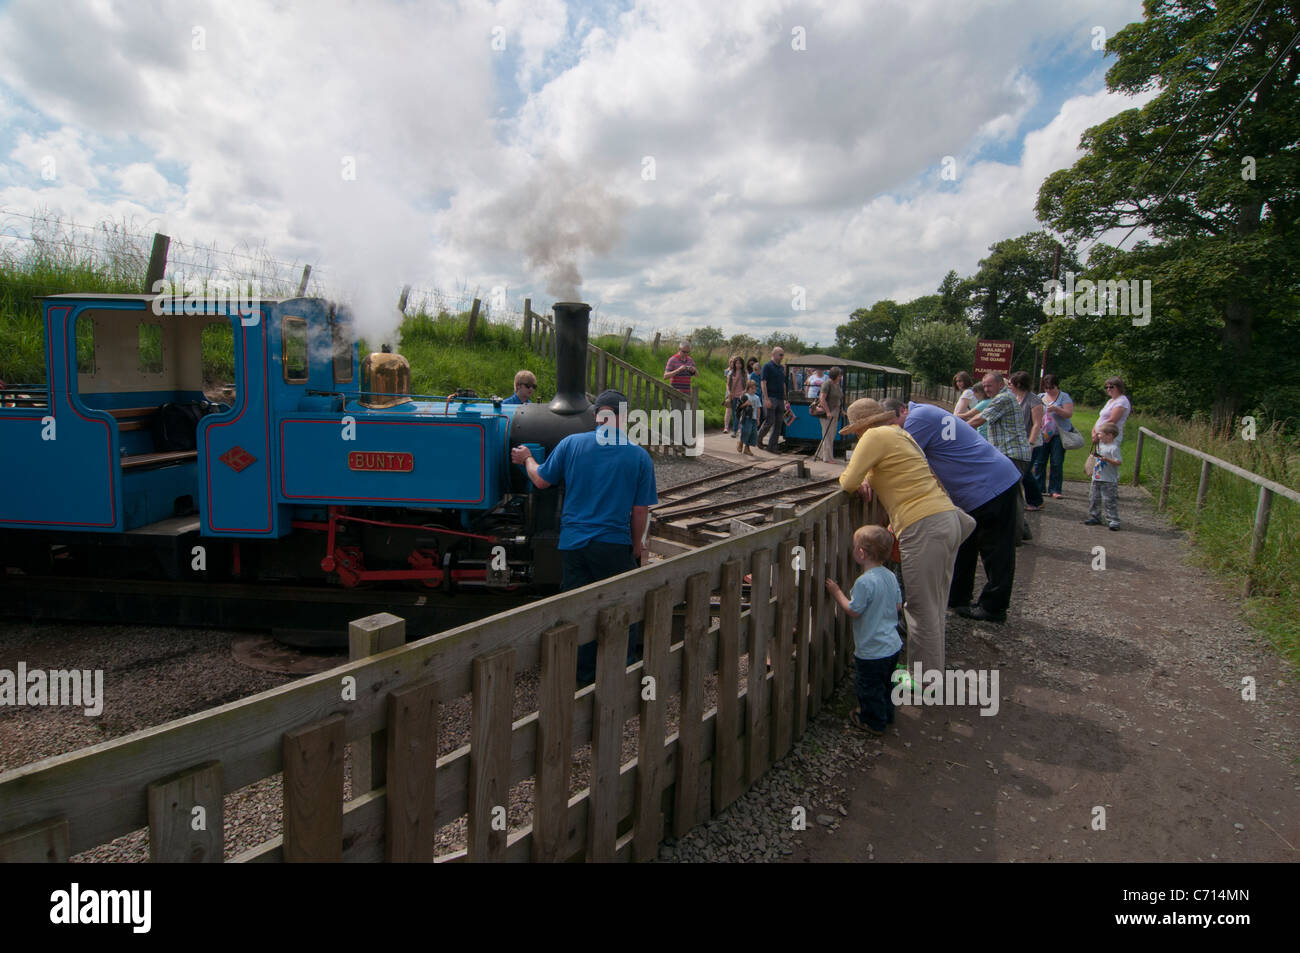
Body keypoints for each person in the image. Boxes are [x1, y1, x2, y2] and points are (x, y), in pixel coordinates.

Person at [510, 389, 658, 683]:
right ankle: (621, 669)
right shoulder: (640, 457)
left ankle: (581, 677)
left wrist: (527, 458)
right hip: (614, 545)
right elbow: (639, 512)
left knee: (578, 611)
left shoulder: (571, 444)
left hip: (574, 544)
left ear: (595, 416)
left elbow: (540, 480)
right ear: (625, 418)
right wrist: (637, 545)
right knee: (623, 605)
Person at [838, 398, 975, 673]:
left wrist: (861, 479)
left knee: (921, 610)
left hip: (921, 525)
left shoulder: (873, 436)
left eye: (855, 431)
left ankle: (924, 681)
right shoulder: (900, 434)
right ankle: (930, 673)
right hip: (945, 519)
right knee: (934, 606)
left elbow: (848, 481)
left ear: (860, 427)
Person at [887, 399, 1022, 625]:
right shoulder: (923, 413)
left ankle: (994, 607)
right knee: (965, 544)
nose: (894, 429)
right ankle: (959, 598)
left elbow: (901, 457)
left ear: (903, 410)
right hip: (983, 486)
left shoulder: (917, 419)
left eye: (893, 422)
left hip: (991, 486)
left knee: (996, 549)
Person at [825, 525, 902, 736]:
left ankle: (873, 722)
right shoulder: (890, 576)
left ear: (861, 553)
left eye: (854, 546)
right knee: (887, 683)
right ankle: (887, 713)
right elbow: (897, 606)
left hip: (872, 649)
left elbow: (853, 610)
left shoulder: (864, 582)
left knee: (869, 687)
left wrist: (837, 592)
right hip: (893, 645)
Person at [962, 372, 1033, 543]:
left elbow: (980, 419)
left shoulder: (1003, 399)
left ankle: (1014, 537)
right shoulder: (1003, 398)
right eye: (984, 386)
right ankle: (1023, 531)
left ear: (1000, 384)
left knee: (1010, 497)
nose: (986, 389)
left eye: (989, 385)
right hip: (1012, 454)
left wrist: (955, 431)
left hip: (1012, 454)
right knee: (1014, 494)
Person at [1008, 371, 1045, 513]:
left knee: (1025, 472)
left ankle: (1036, 501)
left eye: (1011, 383)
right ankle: (1032, 499)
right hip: (1018, 441)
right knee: (1021, 471)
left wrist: (1030, 443)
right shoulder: (1015, 398)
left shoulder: (1033, 400)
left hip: (1031, 442)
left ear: (1018, 384)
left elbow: (1037, 424)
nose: (1009, 386)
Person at [1034, 373, 1074, 499]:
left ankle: (1055, 489)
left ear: (1056, 386)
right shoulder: (1040, 397)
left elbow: (1068, 414)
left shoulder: (1064, 397)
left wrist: (1057, 409)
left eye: (1051, 388)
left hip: (1058, 434)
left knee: (1056, 462)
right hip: (1043, 433)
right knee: (1040, 462)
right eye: (1046, 388)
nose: (1049, 390)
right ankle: (1039, 488)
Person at [1084, 422, 1122, 531]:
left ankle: (1113, 520)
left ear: (1109, 435)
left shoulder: (1114, 448)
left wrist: (1107, 459)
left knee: (1109, 500)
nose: (1098, 436)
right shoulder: (1100, 445)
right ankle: (1094, 516)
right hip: (1096, 477)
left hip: (1109, 480)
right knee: (1094, 498)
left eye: (1100, 434)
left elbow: (1118, 462)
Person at [757, 346, 788, 452]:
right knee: (769, 420)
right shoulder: (767, 366)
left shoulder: (780, 368)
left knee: (779, 423)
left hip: (779, 398)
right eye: (780, 355)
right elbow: (763, 382)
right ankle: (757, 438)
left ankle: (772, 446)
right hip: (770, 396)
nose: (782, 357)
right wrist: (766, 398)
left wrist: (785, 397)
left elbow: (783, 383)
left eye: (782, 355)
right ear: (774, 354)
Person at [815, 367, 843, 463]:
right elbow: (822, 399)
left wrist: (841, 410)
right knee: (828, 435)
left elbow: (839, 399)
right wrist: (827, 412)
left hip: (835, 412)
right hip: (828, 413)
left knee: (831, 435)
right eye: (839, 375)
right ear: (835, 375)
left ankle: (820, 455)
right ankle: (828, 458)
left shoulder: (837, 385)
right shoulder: (827, 384)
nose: (841, 377)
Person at [1095, 376, 1132, 443]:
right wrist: (1094, 431)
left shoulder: (1122, 401)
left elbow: (1112, 421)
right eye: (1106, 387)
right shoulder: (1110, 401)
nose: (1108, 389)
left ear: (1119, 387)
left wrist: (1098, 433)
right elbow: (1101, 417)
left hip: (1110, 436)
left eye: (1111, 387)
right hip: (1101, 435)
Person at [723, 355, 746, 435]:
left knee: (737, 413)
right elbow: (727, 384)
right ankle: (733, 428)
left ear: (742, 364)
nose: (738, 365)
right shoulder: (731, 373)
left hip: (740, 396)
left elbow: (746, 384)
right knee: (733, 413)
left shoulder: (744, 373)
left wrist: (744, 392)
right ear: (734, 364)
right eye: (737, 363)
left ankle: (735, 430)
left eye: (740, 363)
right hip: (732, 395)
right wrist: (729, 392)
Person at [736, 379, 760, 455]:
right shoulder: (744, 396)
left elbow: (758, 408)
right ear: (748, 388)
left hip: (754, 418)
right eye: (752, 388)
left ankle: (747, 448)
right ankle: (741, 442)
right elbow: (739, 408)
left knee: (753, 434)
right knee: (746, 431)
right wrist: (745, 404)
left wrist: (758, 418)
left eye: (755, 388)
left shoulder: (757, 397)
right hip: (746, 417)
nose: (754, 390)